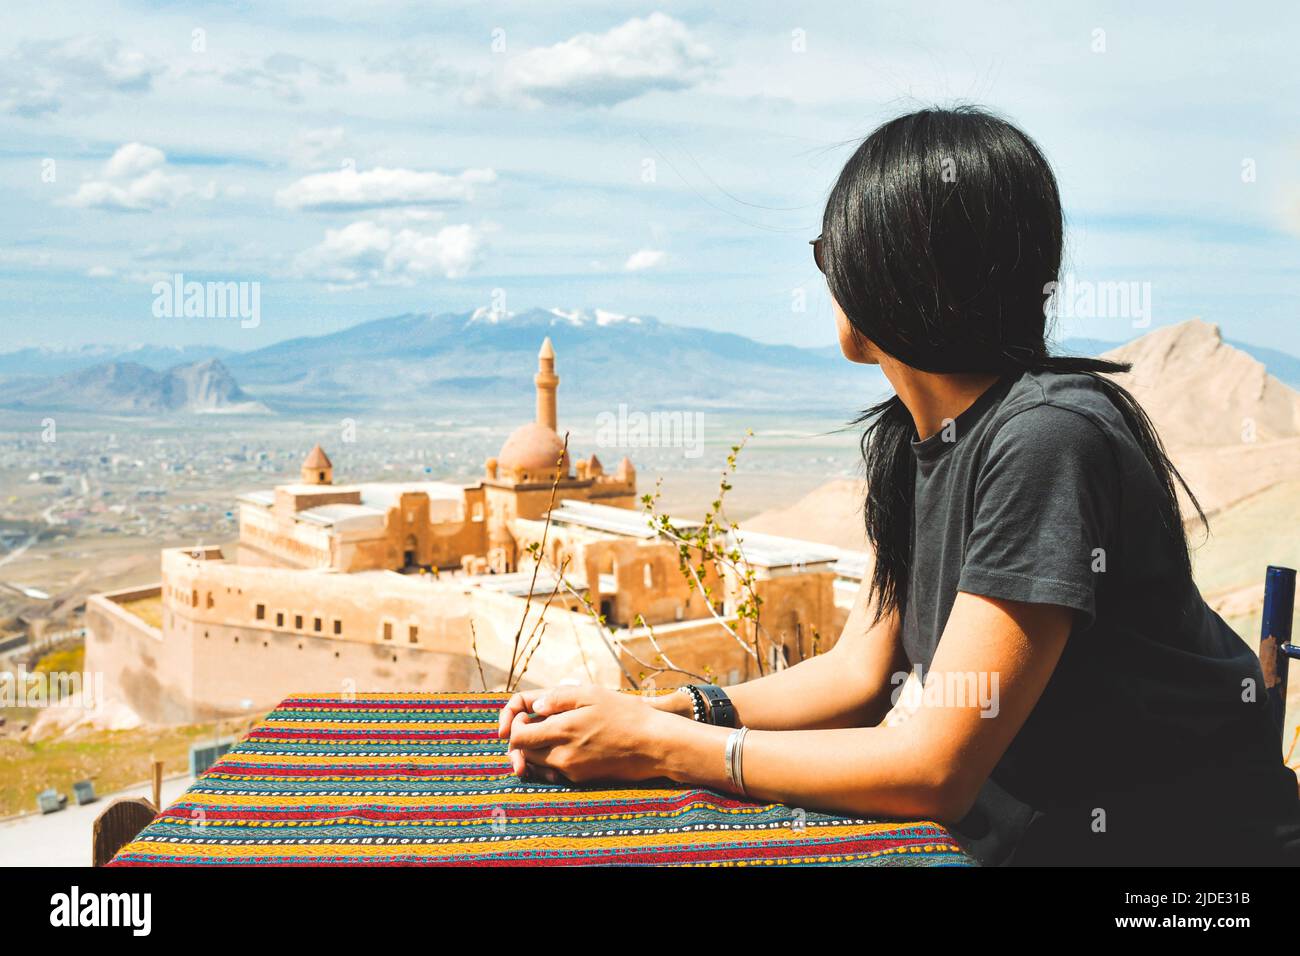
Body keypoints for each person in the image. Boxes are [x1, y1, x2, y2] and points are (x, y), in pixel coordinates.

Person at [499, 106, 1300, 865]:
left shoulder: (1048, 438)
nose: (828, 280)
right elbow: (859, 677)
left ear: (900, 274)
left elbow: (935, 768)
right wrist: (682, 711)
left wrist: (661, 751)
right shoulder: (910, 442)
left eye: (832, 254)